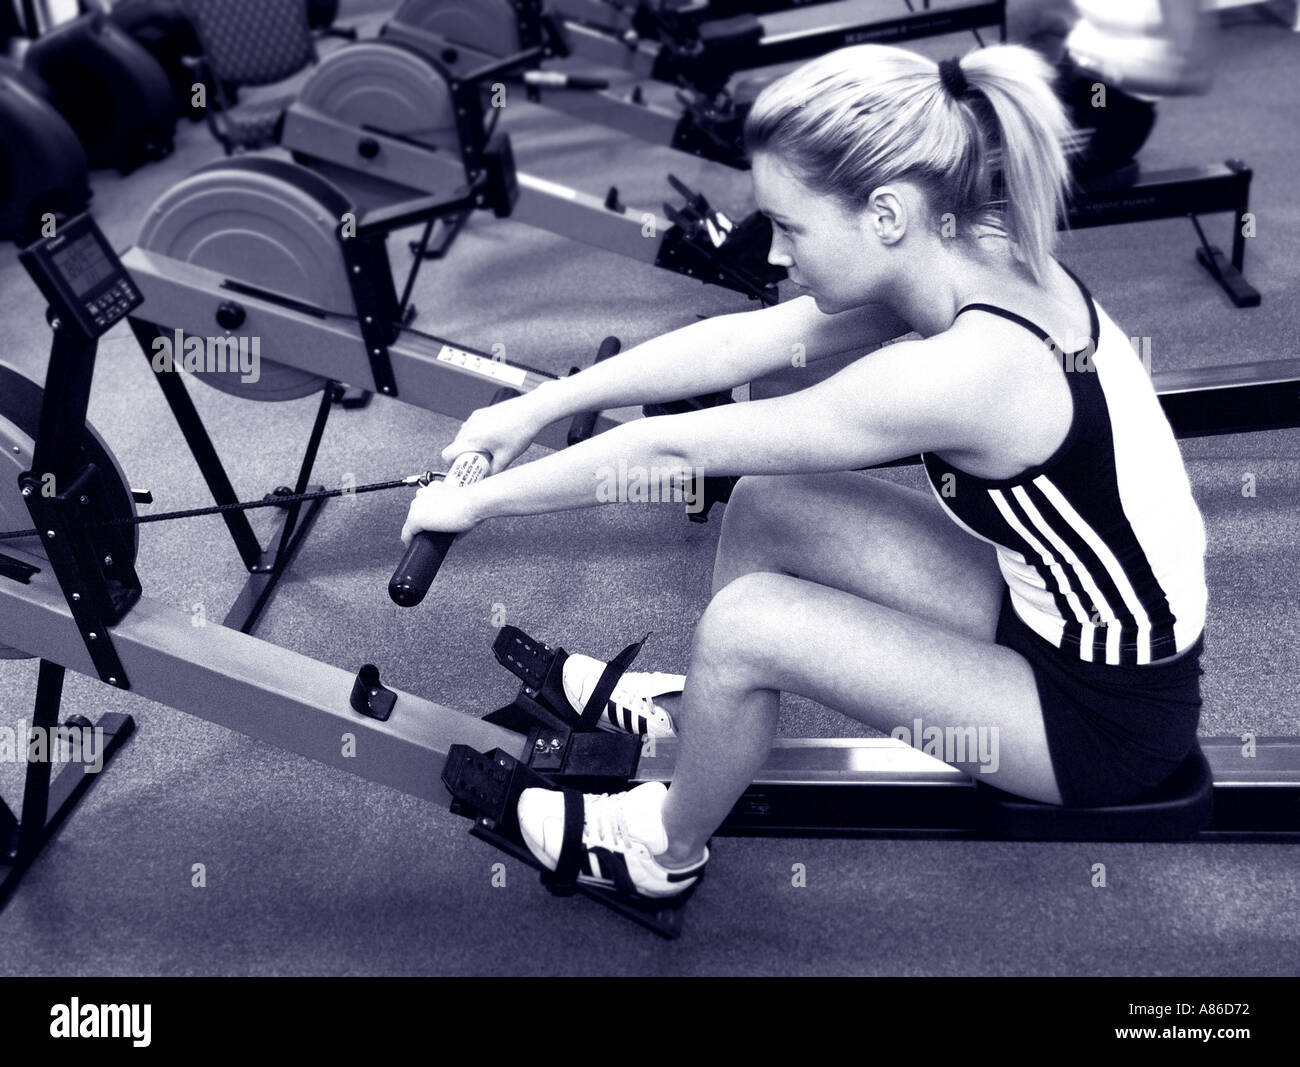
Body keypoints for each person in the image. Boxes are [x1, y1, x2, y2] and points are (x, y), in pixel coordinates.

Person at [401, 44, 1208, 902]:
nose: (776, 255)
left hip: (1101, 718)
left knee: (751, 624)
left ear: (886, 214)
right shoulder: (964, 247)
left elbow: (680, 451)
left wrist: (480, 503)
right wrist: (533, 407)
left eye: (791, 227)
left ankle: (662, 852)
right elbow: (742, 341)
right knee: (767, 505)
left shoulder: (963, 372)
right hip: (1043, 610)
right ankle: (701, 716)